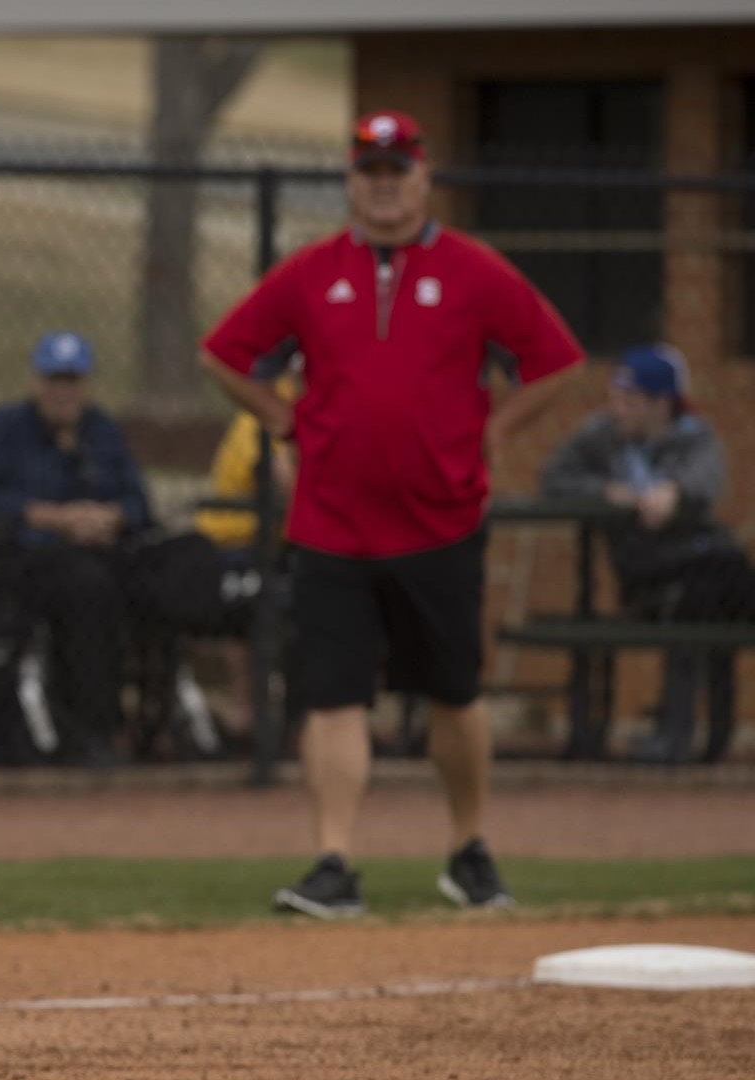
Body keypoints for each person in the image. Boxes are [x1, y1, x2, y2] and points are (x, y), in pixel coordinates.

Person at [201, 110, 585, 918]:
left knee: (454, 690)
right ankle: (333, 860)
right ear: (351, 182)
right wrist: (280, 418)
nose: (385, 186)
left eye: (398, 170)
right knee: (333, 695)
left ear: (423, 177)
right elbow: (224, 352)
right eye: (370, 172)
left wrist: (495, 430)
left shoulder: (475, 272)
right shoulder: (311, 273)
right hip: (330, 522)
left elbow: (554, 361)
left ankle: (468, 849)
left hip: (439, 518)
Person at [539, 344, 754, 763]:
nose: (618, 409)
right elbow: (553, 475)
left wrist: (673, 492)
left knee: (712, 587)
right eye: (616, 398)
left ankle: (685, 736)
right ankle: (676, 735)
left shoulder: (695, 436)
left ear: (661, 404)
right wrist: (605, 492)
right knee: (704, 595)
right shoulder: (601, 435)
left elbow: (704, 480)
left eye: (630, 400)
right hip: (649, 576)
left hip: (707, 570)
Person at [0, 330, 151, 761]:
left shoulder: (102, 431)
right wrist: (50, 518)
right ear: (37, 382)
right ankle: (92, 730)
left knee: (164, 572)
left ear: (87, 384)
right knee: (88, 586)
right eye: (55, 380)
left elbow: (138, 501)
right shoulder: (5, 428)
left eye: (73, 381)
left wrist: (108, 517)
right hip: (27, 560)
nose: (64, 391)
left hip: (102, 551)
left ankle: (159, 723)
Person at [192, 369, 300, 740]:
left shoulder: (321, 402)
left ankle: (310, 718)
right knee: (252, 598)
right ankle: (249, 715)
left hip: (286, 543)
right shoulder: (271, 403)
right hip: (235, 544)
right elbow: (283, 481)